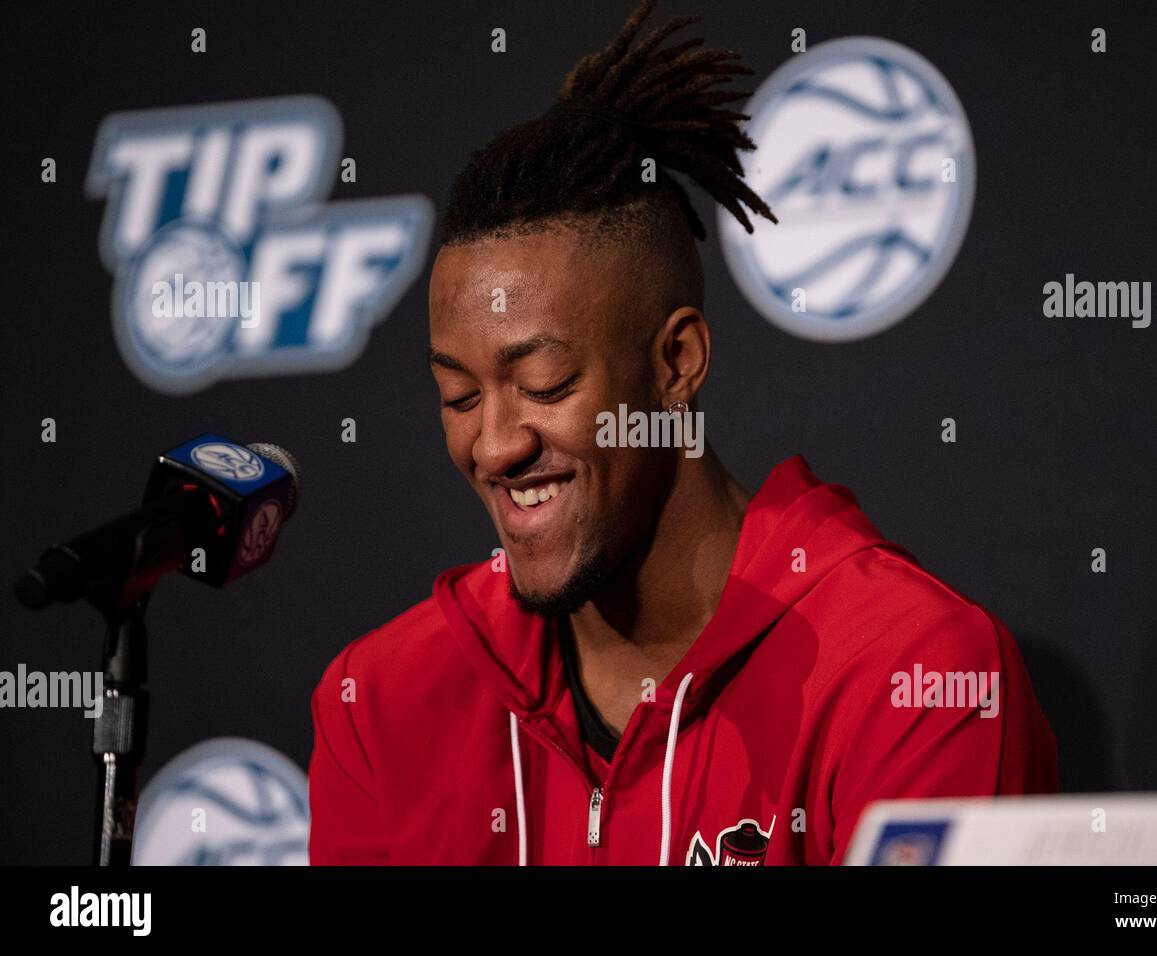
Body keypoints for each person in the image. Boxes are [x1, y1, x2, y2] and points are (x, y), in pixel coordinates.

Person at [308, 0, 1057, 866]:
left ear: (677, 363)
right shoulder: (380, 701)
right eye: (458, 396)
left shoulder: (913, 673)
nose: (496, 446)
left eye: (543, 384)